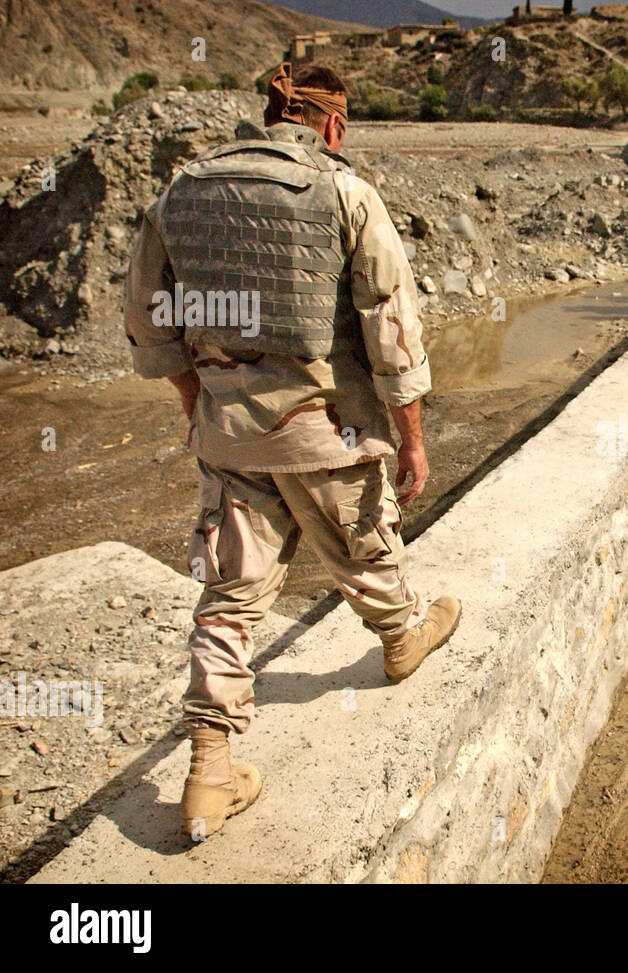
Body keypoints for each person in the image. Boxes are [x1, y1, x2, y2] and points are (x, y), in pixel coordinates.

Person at [122, 63, 462, 840]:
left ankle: (209, 769)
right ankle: (402, 637)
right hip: (328, 432)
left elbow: (149, 324)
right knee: (365, 545)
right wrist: (412, 441)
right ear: (332, 126)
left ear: (266, 114)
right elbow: (391, 329)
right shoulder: (344, 192)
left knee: (233, 590)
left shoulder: (183, 190)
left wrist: (202, 407)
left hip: (231, 435)